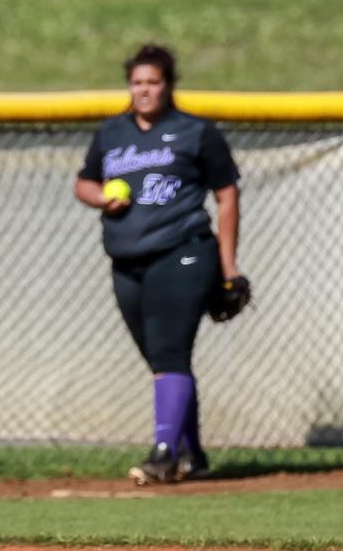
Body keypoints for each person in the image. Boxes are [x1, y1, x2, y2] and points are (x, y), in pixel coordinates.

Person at [74, 43, 244, 485]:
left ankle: (165, 453)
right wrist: (101, 197)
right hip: (127, 263)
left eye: (153, 82)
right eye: (137, 83)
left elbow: (227, 194)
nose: (144, 90)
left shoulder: (196, 132)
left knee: (170, 353)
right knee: (161, 358)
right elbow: (84, 182)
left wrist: (229, 268)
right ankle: (192, 454)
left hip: (183, 252)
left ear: (168, 86)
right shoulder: (112, 132)